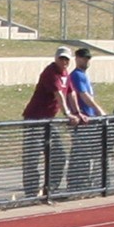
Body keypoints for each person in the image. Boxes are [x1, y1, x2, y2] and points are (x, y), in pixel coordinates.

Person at [20, 45, 86, 197]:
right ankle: (31, 193)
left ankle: (50, 190)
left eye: (66, 59)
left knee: (59, 156)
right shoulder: (50, 72)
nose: (64, 62)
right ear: (56, 58)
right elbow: (59, 95)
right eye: (61, 59)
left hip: (49, 121)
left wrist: (77, 112)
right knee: (32, 157)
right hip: (35, 120)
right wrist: (68, 114)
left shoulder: (66, 74)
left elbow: (71, 93)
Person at [67, 47, 107, 190]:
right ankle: (76, 184)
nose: (86, 61)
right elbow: (84, 95)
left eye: (88, 58)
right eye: (84, 58)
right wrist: (99, 110)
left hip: (89, 119)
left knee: (86, 153)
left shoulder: (83, 75)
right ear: (77, 59)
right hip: (84, 120)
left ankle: (82, 183)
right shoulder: (77, 75)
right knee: (81, 153)